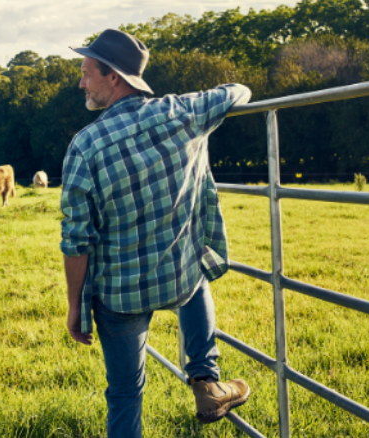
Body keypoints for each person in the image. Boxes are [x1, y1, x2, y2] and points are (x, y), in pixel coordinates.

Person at [60, 28, 252, 438]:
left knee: (126, 393)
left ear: (114, 77)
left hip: (119, 296)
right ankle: (206, 381)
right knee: (196, 267)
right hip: (178, 279)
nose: (80, 82)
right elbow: (239, 90)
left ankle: (203, 383)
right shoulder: (183, 111)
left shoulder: (85, 145)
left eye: (86, 72)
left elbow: (76, 240)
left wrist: (75, 306)